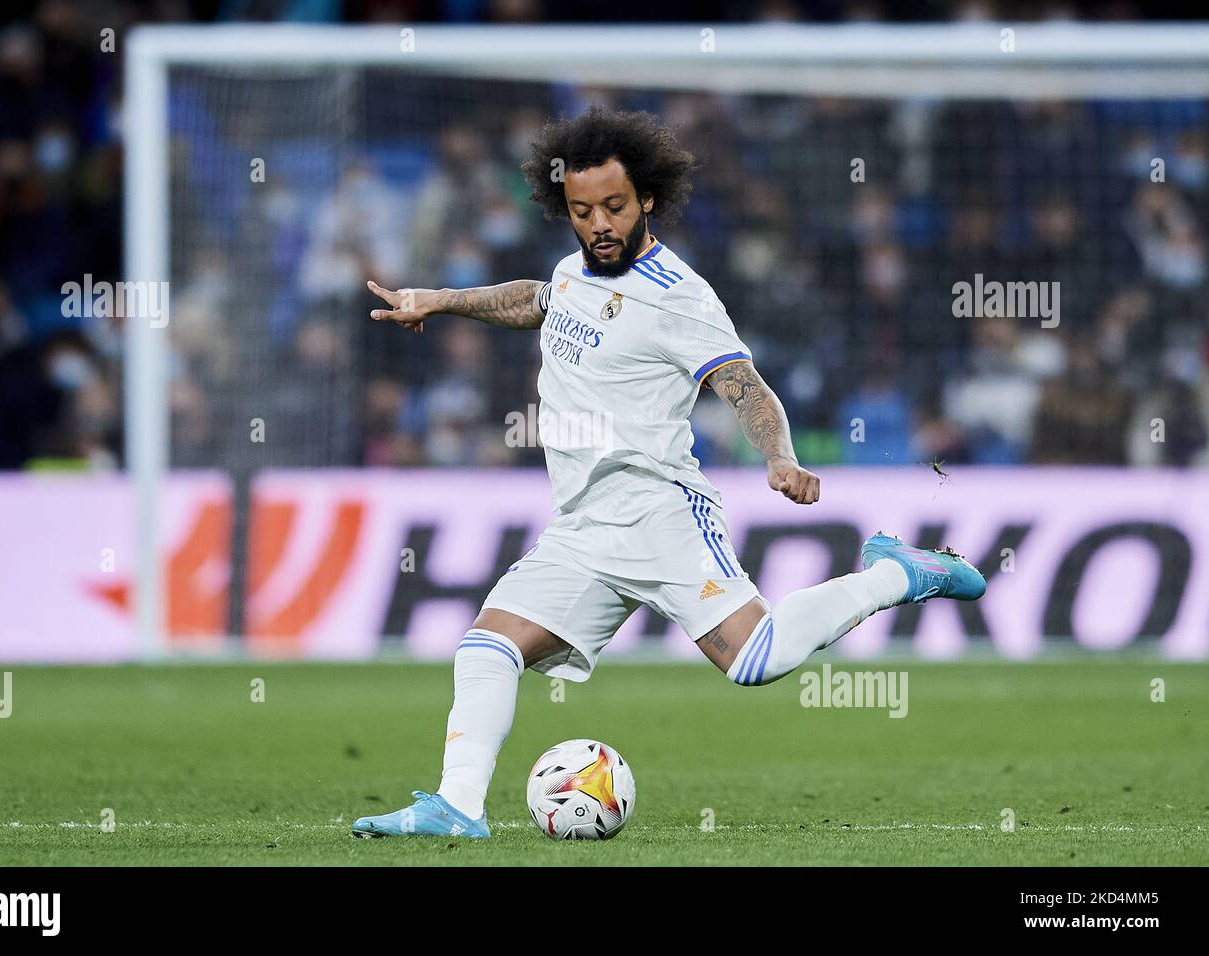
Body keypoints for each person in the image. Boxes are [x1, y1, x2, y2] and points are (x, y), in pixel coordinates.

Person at [353, 108, 985, 839]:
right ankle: (457, 808)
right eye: (582, 210)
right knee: (487, 648)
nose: (599, 225)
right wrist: (445, 300)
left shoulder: (679, 296)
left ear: (647, 197)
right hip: (585, 525)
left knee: (756, 661)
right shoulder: (572, 271)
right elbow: (537, 299)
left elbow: (744, 384)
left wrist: (779, 456)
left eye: (614, 207)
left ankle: (897, 573)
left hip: (660, 512)